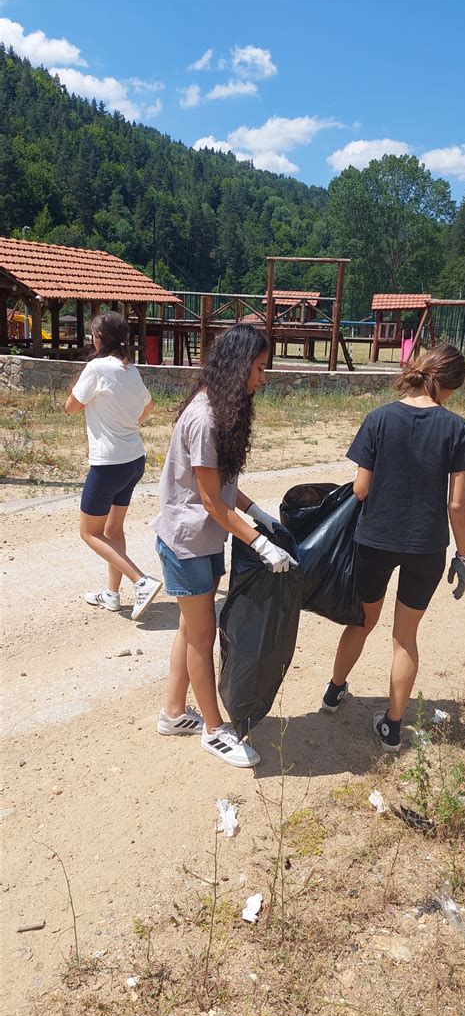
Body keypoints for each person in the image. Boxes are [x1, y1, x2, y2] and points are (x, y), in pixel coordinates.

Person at [151, 323, 296, 768]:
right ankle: (215, 731)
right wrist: (261, 543)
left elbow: (225, 487)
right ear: (238, 368)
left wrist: (259, 514)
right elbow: (213, 503)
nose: (262, 378)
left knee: (190, 629)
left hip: (207, 537)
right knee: (202, 636)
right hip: (187, 542)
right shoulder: (204, 418)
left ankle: (174, 714)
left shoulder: (221, 411)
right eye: (258, 368)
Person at [321, 344, 465, 752]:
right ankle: (391, 726)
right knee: (405, 638)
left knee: (361, 623)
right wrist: (463, 555)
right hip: (426, 546)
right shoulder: (457, 429)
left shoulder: (379, 418)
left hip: (376, 540)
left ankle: (334, 693)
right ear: (450, 385)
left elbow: (361, 488)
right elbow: (456, 504)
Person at [65, 311, 162, 621]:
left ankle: (141, 581)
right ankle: (112, 594)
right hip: (134, 459)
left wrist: (79, 384)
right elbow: (149, 405)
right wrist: (132, 423)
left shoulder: (96, 368)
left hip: (109, 464)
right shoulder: (129, 369)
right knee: (112, 528)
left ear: (98, 339)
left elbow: (71, 407)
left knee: (89, 533)